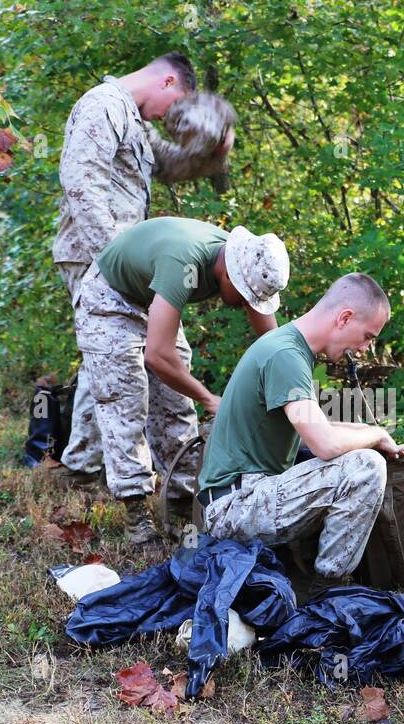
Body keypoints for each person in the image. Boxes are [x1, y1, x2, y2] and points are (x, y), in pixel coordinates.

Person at [52, 51, 236, 486]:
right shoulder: (103, 105)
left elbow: (172, 165)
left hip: (128, 264)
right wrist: (116, 261)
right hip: (97, 258)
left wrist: (212, 154)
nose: (170, 116)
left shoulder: (135, 122)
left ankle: (81, 465)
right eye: (174, 105)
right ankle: (93, 468)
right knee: (120, 361)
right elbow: (81, 185)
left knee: (107, 356)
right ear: (168, 82)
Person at [72, 216, 288, 543]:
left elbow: (272, 345)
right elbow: (158, 356)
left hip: (152, 298)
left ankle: (181, 505)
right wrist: (210, 398)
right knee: (124, 402)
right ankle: (136, 517)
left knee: (176, 408)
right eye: (245, 297)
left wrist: (288, 391)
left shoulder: (247, 258)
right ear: (228, 274)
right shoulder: (184, 262)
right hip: (109, 297)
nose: (247, 306)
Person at [199, 273, 404, 595]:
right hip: (235, 508)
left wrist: (374, 433)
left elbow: (319, 427)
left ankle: (317, 581)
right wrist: (376, 434)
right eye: (368, 336)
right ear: (345, 317)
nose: (367, 348)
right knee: (366, 465)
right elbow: (324, 443)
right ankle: (326, 590)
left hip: (240, 497)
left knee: (362, 450)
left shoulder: (286, 347)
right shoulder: (286, 356)